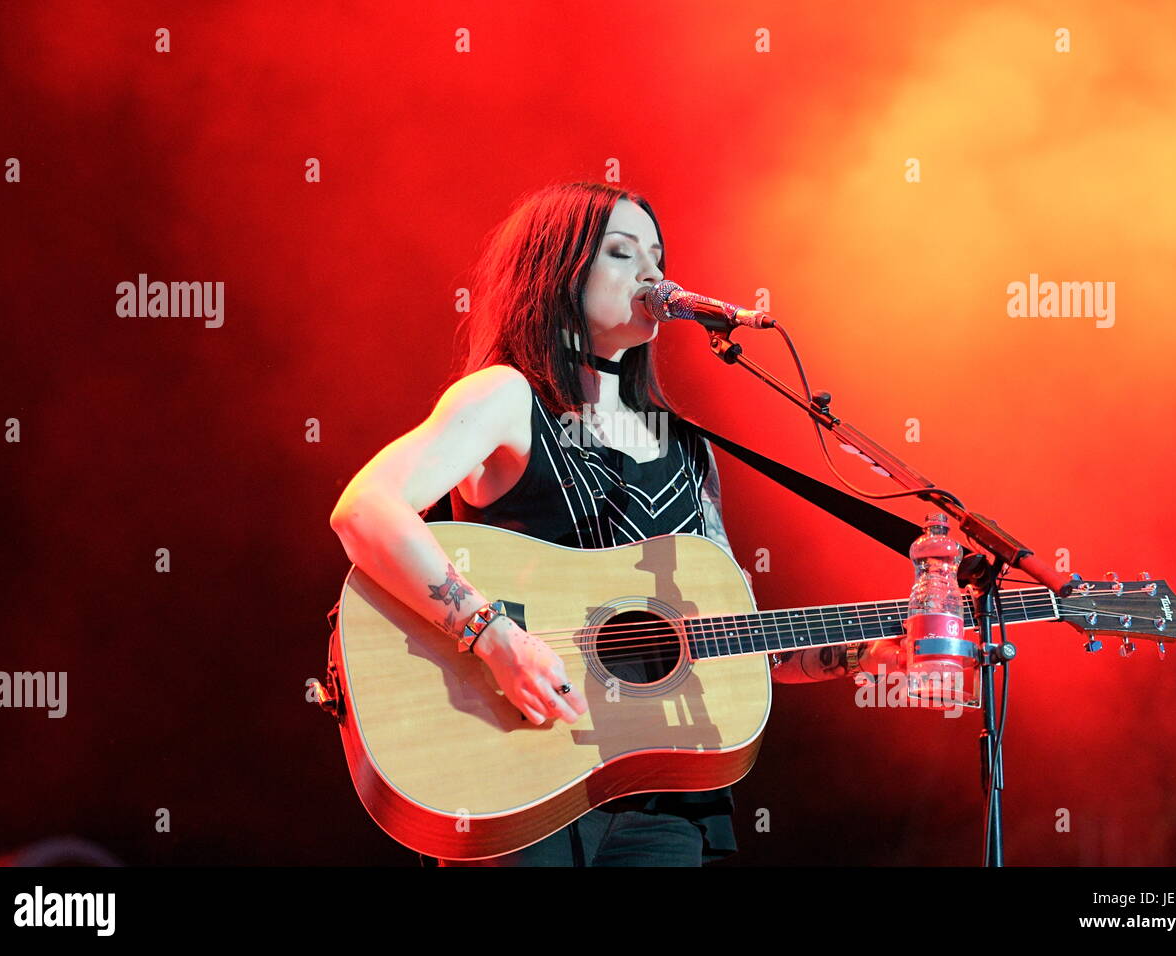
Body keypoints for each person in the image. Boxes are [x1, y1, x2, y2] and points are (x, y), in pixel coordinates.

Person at [329, 181, 904, 866]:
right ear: (557, 272)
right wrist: (494, 637)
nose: (655, 275)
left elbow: (730, 644)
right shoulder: (506, 397)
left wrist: (866, 652)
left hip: (666, 801)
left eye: (658, 256)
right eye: (624, 253)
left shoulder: (688, 448)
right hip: (520, 775)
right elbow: (365, 508)